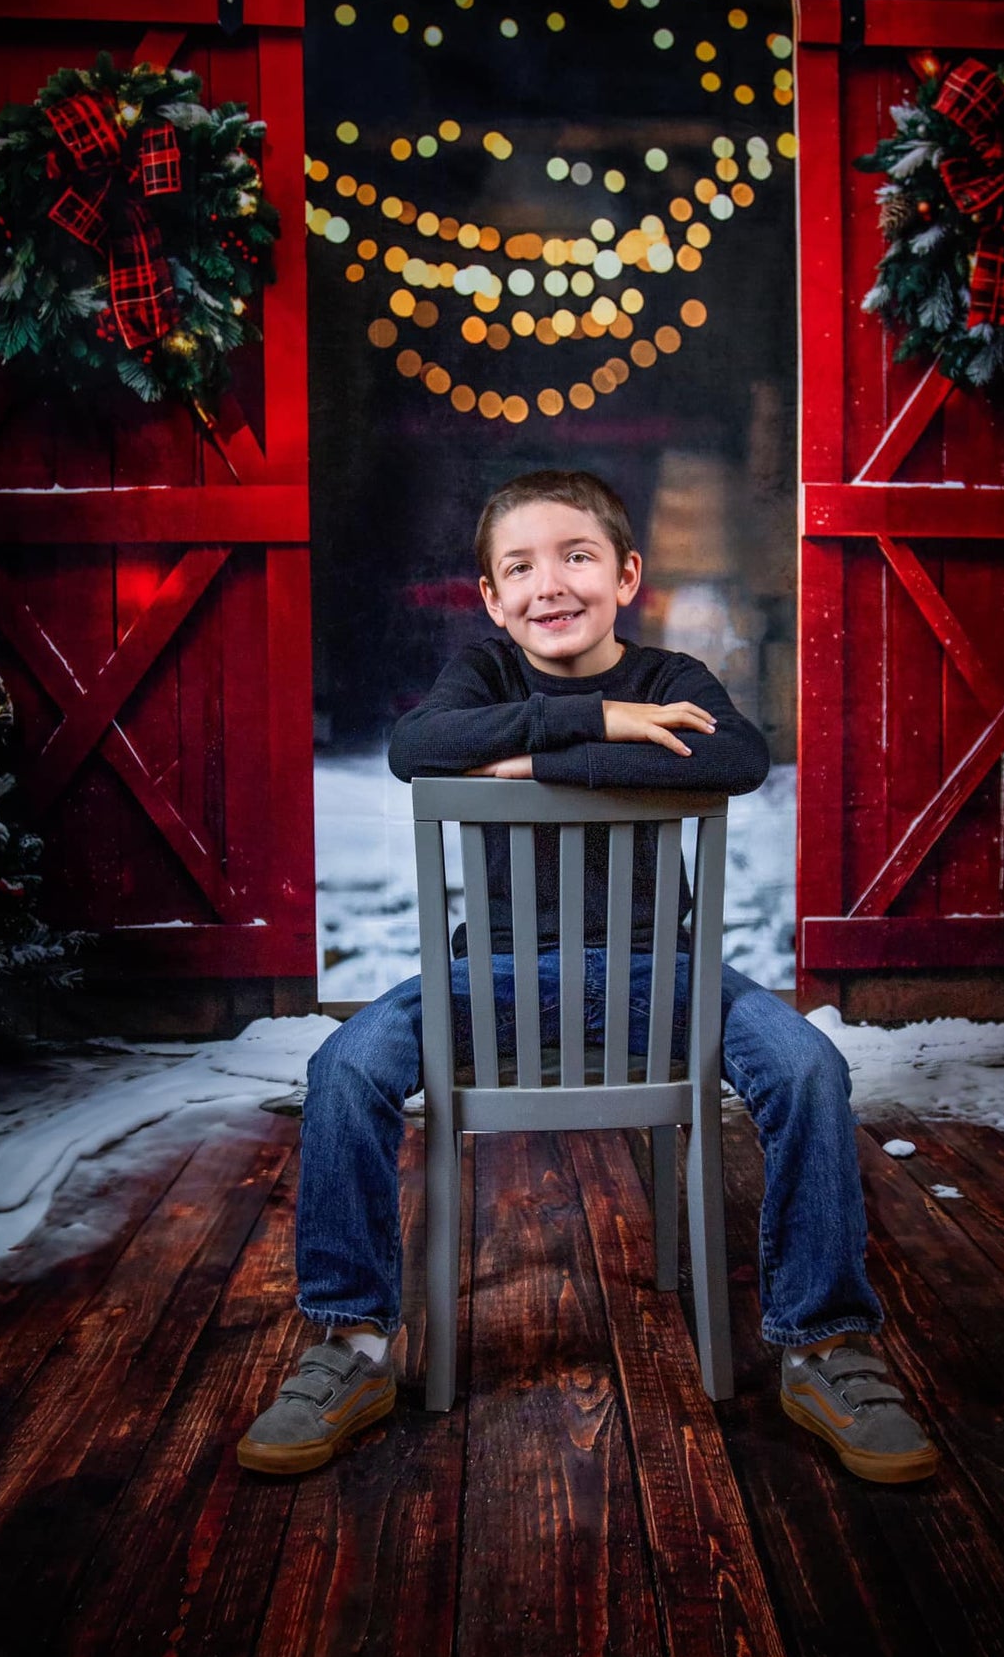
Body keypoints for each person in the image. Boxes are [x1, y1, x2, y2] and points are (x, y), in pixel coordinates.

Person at [238, 470, 938, 1484]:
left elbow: (733, 757)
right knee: (347, 1067)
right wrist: (600, 726)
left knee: (808, 1067)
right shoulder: (479, 675)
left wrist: (524, 764)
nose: (548, 583)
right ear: (489, 596)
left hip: (670, 975)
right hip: (498, 977)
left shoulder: (676, 678)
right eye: (518, 566)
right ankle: (349, 1344)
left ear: (626, 575)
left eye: (575, 556)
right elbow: (415, 748)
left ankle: (825, 1346)